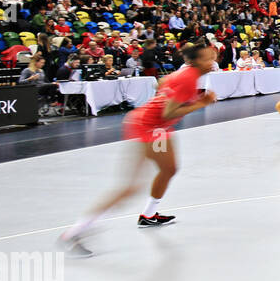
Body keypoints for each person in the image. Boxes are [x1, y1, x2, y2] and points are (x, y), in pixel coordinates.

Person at [58, 41, 218, 257]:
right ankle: (74, 233)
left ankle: (149, 215)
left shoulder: (186, 73)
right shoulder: (189, 78)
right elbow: (168, 113)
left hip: (158, 128)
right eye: (208, 58)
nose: (213, 61)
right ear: (196, 61)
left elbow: (160, 84)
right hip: (148, 127)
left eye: (213, 56)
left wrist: (179, 96)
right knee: (130, 187)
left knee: (169, 168)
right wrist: (203, 102)